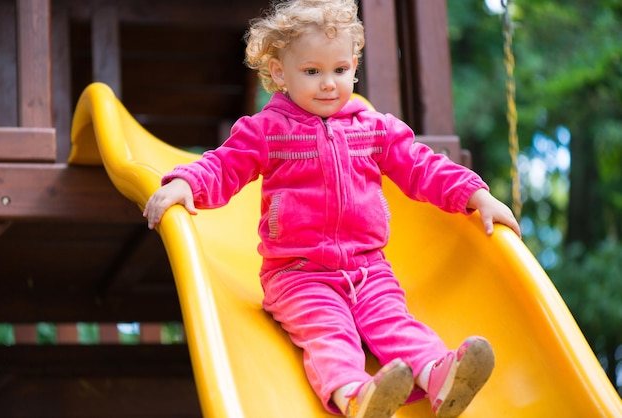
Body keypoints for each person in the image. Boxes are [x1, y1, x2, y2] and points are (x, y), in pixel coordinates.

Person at [143, 0, 522, 417]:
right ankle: (354, 396)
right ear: (278, 74)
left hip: (368, 266)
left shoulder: (372, 128)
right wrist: (185, 183)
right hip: (299, 274)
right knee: (330, 332)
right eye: (312, 72)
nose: (329, 84)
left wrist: (475, 194)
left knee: (395, 321)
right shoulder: (268, 131)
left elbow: (420, 164)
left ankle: (438, 376)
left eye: (340, 70)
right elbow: (224, 164)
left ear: (354, 66)